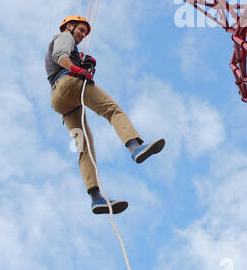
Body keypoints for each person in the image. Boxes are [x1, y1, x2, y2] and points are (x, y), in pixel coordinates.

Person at [46, 14, 164, 214]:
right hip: (69, 84)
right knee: (112, 110)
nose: (82, 35)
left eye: (84, 32)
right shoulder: (63, 37)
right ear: (68, 27)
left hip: (60, 102)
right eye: (80, 30)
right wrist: (78, 69)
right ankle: (135, 147)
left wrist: (84, 64)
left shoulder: (72, 47)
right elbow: (60, 56)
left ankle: (96, 197)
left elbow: (63, 59)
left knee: (84, 147)